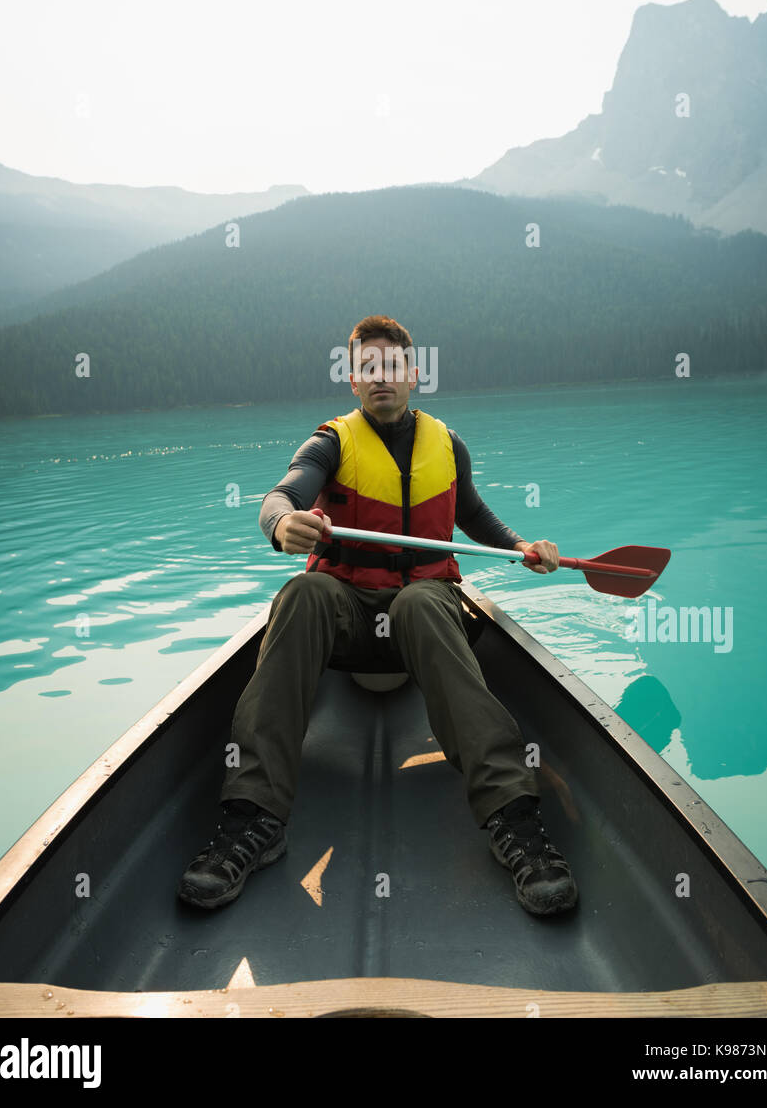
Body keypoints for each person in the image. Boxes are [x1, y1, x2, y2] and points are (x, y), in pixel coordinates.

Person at [177, 315, 578, 917]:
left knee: (421, 600)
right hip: (349, 618)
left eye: (391, 366)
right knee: (302, 594)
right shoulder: (329, 443)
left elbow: (474, 515)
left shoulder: (448, 445)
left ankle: (512, 815)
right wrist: (281, 523)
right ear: (353, 380)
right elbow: (281, 496)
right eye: (367, 367)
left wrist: (522, 547)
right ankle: (253, 816)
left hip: (423, 613)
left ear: (414, 375)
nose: (380, 376)